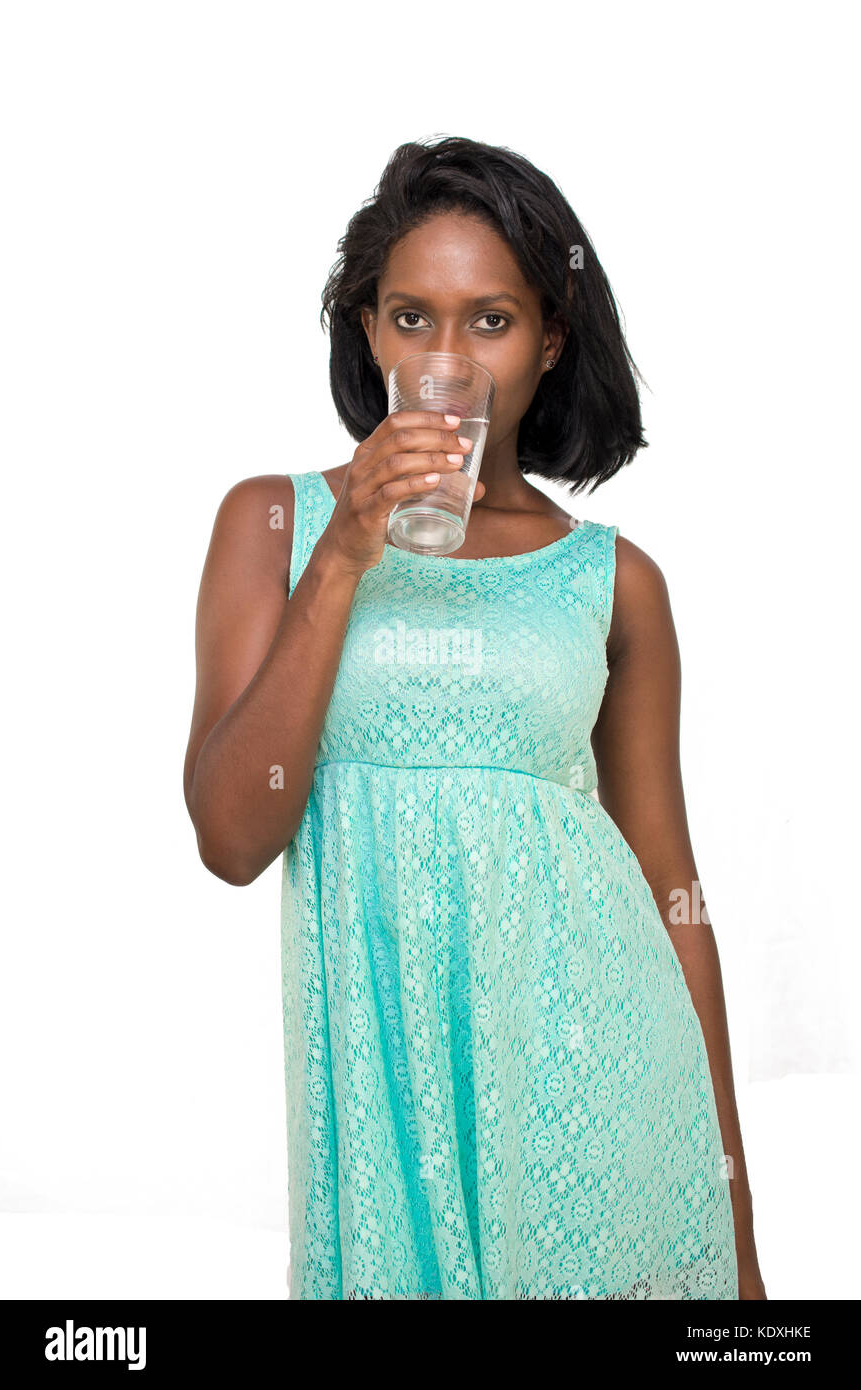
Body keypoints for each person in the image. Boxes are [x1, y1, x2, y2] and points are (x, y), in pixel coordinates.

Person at [183, 135, 766, 1300]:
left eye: (489, 322)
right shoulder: (271, 527)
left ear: (549, 339)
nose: (445, 358)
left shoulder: (613, 581)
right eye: (410, 318)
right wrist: (346, 551)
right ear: (365, 329)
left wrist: (733, 1216)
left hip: (592, 1088)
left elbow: (670, 890)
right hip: (384, 1110)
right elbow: (232, 837)